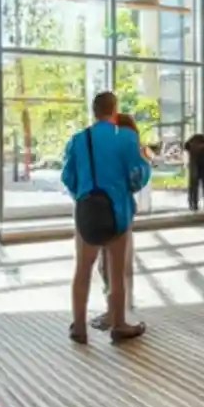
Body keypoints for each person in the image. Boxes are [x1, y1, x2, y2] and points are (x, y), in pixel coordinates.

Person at [62, 92, 150, 344]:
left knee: (82, 269)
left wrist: (83, 194)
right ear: (115, 109)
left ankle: (79, 327)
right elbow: (137, 174)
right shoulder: (125, 138)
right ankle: (119, 325)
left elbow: (68, 177)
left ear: (93, 111)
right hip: (117, 211)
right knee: (116, 270)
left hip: (87, 211)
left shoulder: (79, 140)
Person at [92, 113, 148, 330]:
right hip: (118, 208)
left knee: (110, 263)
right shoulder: (126, 149)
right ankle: (117, 310)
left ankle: (116, 313)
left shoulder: (122, 148)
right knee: (112, 262)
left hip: (112, 209)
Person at [184, 133, 204, 211]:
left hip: (200, 167)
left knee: (195, 187)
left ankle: (194, 205)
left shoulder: (194, 143)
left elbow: (186, 147)